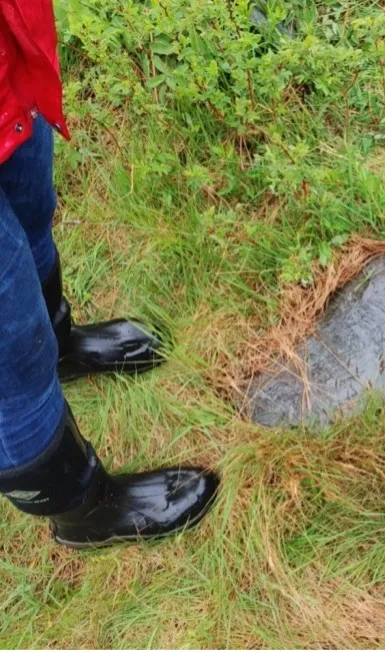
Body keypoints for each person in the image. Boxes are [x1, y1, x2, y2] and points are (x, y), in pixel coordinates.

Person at [0, 1, 219, 548]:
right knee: (7, 345)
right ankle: (82, 510)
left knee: (30, 220)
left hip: (7, 76)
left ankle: (61, 347)